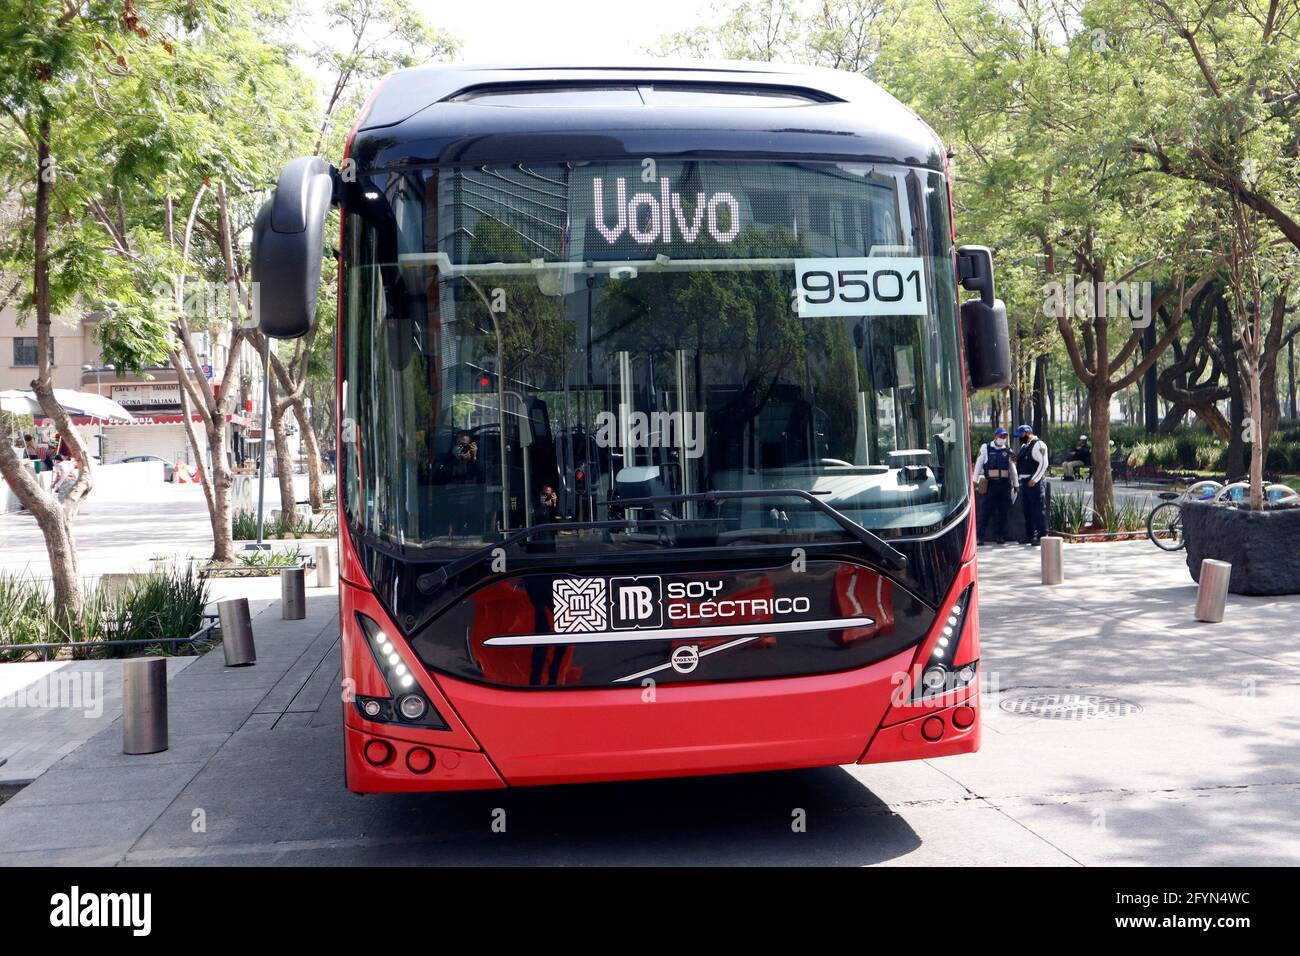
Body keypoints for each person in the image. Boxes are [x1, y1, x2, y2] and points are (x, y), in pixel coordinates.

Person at [973, 426, 1017, 545]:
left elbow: (1012, 468)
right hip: (991, 484)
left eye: (1004, 437)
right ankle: (980, 537)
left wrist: (1016, 484)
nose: (1002, 439)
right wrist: (974, 480)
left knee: (1003, 511)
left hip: (1004, 484)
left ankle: (1000, 536)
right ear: (995, 436)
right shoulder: (986, 448)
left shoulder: (1008, 450)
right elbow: (979, 464)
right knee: (985, 511)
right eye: (1000, 436)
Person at [1015, 424, 1050, 545]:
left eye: (1021, 435)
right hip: (1025, 482)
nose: (1020, 438)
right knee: (1027, 511)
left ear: (1028, 433)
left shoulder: (1038, 445)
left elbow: (1044, 464)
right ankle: (1030, 535)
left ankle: (1042, 535)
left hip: (1035, 483)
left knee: (1038, 510)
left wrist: (1034, 479)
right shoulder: (1025, 446)